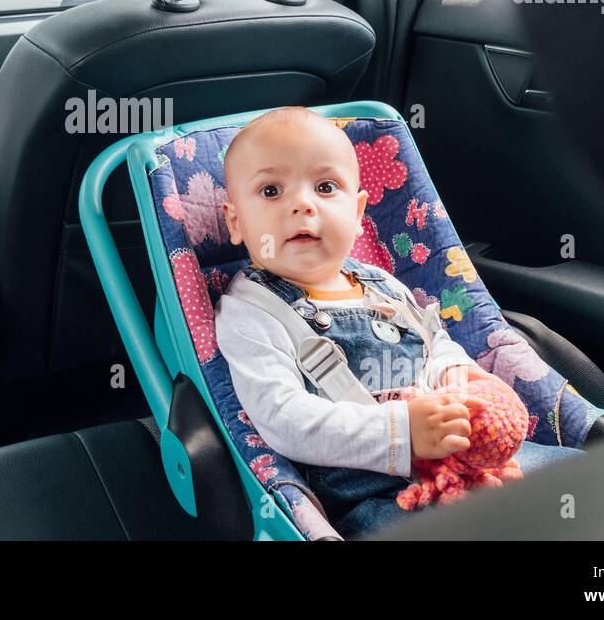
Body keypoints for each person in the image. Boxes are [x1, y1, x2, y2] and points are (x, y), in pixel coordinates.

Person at [214, 106, 582, 538]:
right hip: (371, 496)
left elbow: (433, 343)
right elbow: (284, 419)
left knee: (584, 477)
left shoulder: (381, 284)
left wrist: (462, 377)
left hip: (458, 464)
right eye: (272, 191)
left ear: (357, 214)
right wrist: (401, 433)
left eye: (325, 186)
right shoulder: (251, 312)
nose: (302, 205)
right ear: (236, 222)